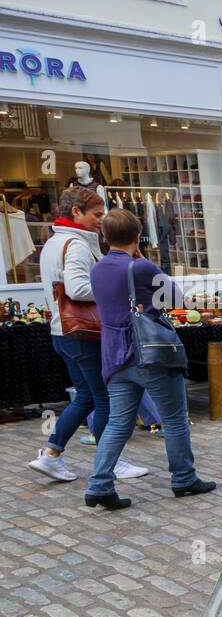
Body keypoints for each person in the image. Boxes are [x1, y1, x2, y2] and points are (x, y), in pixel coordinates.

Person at [82, 208, 216, 509]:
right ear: (138, 236)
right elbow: (176, 298)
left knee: (118, 423)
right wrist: (143, 260)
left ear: (104, 237)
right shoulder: (139, 267)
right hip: (148, 352)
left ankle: (99, 484)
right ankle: (183, 478)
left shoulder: (97, 269)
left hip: (115, 355)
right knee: (174, 418)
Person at [28, 187, 147, 484]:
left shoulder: (56, 241)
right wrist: (117, 292)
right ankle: (111, 461)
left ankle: (51, 454)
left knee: (85, 397)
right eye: (96, 214)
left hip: (63, 332)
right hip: (83, 333)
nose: (101, 220)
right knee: (105, 397)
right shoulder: (77, 244)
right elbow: (77, 288)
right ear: (76, 212)